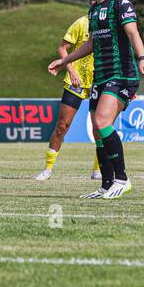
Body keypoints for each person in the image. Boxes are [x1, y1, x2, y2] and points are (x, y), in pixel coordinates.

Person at [48, 0, 144, 199]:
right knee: (97, 130)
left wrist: (142, 58)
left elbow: (133, 32)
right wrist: (64, 62)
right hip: (101, 76)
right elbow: (91, 44)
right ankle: (106, 184)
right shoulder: (94, 9)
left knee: (103, 122)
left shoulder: (119, 2)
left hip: (122, 74)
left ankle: (122, 179)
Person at [36, 12, 99, 181]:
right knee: (62, 126)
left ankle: (97, 171)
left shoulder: (111, 23)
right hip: (76, 81)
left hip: (101, 80)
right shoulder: (81, 23)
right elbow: (62, 48)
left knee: (101, 127)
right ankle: (47, 169)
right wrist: (70, 70)